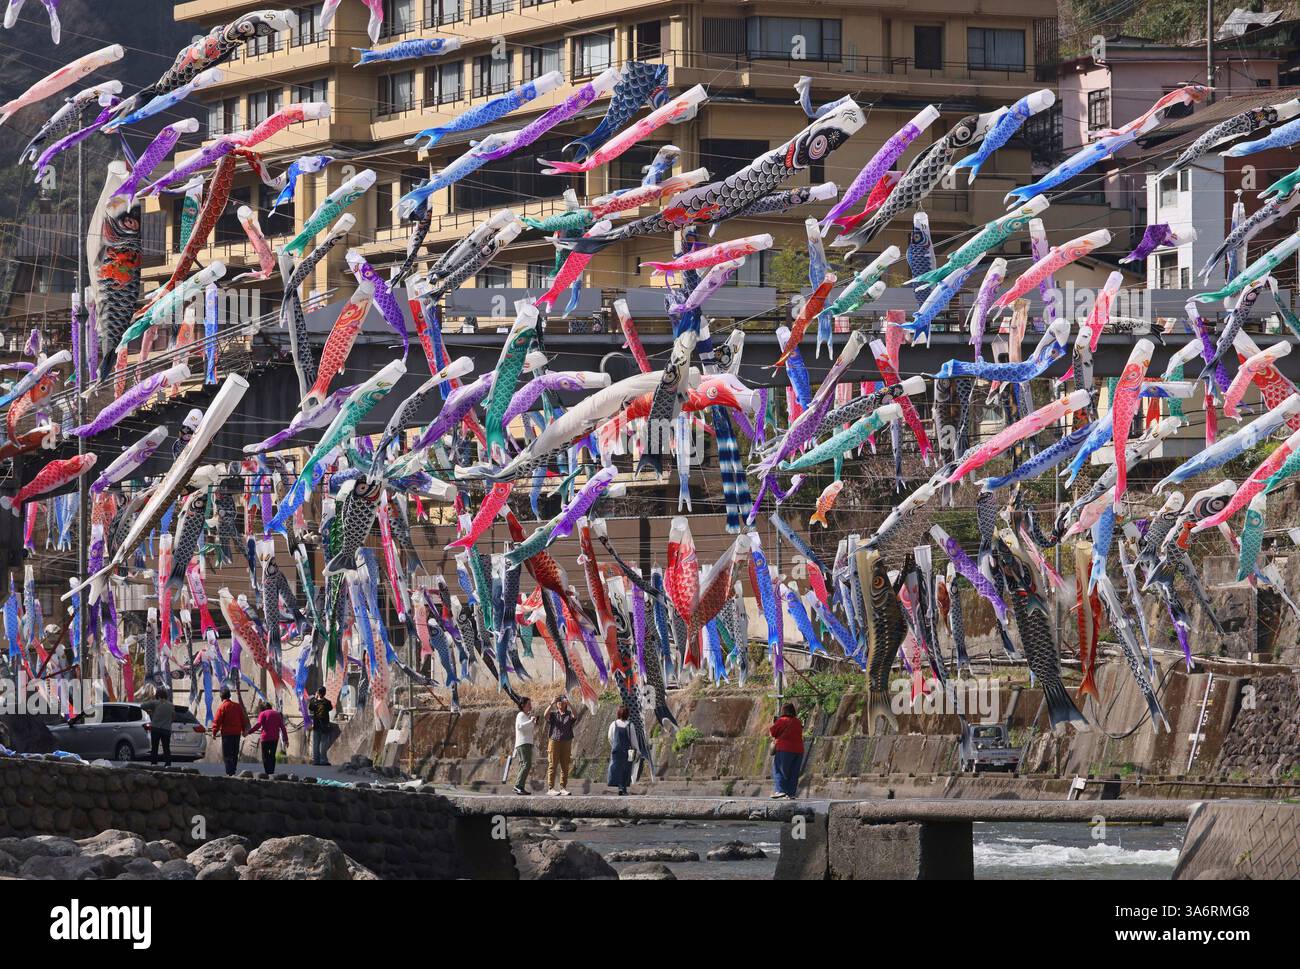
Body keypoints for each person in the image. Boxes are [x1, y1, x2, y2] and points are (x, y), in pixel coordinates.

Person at [543, 695, 584, 796]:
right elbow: (545, 716)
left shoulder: (569, 714)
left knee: (565, 766)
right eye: (558, 701)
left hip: (566, 741)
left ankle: (563, 787)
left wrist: (569, 703)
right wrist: (551, 703)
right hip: (554, 741)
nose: (560, 703)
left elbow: (576, 715)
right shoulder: (553, 715)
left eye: (562, 701)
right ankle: (551, 788)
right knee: (552, 765)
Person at [769, 703, 805, 800]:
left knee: (780, 770)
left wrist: (775, 723)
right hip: (798, 750)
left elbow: (773, 732)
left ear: (783, 710)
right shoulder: (798, 722)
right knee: (793, 772)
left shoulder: (782, 720)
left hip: (785, 749)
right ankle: (791, 793)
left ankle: (780, 791)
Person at [210, 688, 250, 777]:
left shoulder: (222, 707)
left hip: (227, 734)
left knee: (227, 753)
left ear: (221, 697)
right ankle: (233, 769)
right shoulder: (237, 706)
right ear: (229, 696)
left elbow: (217, 721)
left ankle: (229, 771)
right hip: (236, 733)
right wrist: (244, 730)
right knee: (235, 752)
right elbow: (242, 719)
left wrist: (214, 732)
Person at [606, 705, 640, 796]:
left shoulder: (614, 724)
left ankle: (620, 787)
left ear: (618, 713)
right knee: (626, 769)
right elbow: (633, 740)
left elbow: (610, 737)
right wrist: (637, 750)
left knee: (617, 769)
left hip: (616, 750)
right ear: (627, 714)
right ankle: (623, 788)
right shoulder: (630, 725)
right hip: (628, 751)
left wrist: (614, 745)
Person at [251, 700, 288, 776]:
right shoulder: (277, 714)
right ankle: (271, 771)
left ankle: (267, 772)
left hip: (265, 738)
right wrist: (286, 739)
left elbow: (258, 725)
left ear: (263, 708)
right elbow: (283, 727)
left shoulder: (262, 714)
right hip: (274, 738)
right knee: (272, 755)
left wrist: (249, 731)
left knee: (265, 755)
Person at [141, 687, 175, 769]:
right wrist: (168, 722)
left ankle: (154, 764)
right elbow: (173, 717)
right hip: (166, 729)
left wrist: (148, 711)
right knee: (166, 747)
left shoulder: (155, 703)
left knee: (154, 747)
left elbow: (142, 705)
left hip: (156, 728)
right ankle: (168, 764)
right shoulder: (171, 705)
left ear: (157, 695)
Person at [511, 697, 538, 795]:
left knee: (524, 764)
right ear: (523, 705)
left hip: (526, 743)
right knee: (526, 764)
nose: (530, 706)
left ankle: (520, 786)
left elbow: (527, 728)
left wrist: (533, 722)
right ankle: (518, 786)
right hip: (523, 743)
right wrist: (531, 721)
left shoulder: (525, 716)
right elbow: (520, 727)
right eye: (528, 704)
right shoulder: (521, 714)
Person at [308, 688, 333, 767]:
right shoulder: (327, 702)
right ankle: (323, 760)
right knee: (324, 744)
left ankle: (316, 760)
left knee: (316, 743)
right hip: (325, 725)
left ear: (318, 693)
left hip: (316, 725)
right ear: (325, 693)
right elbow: (330, 708)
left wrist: (315, 698)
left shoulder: (314, 702)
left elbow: (310, 708)